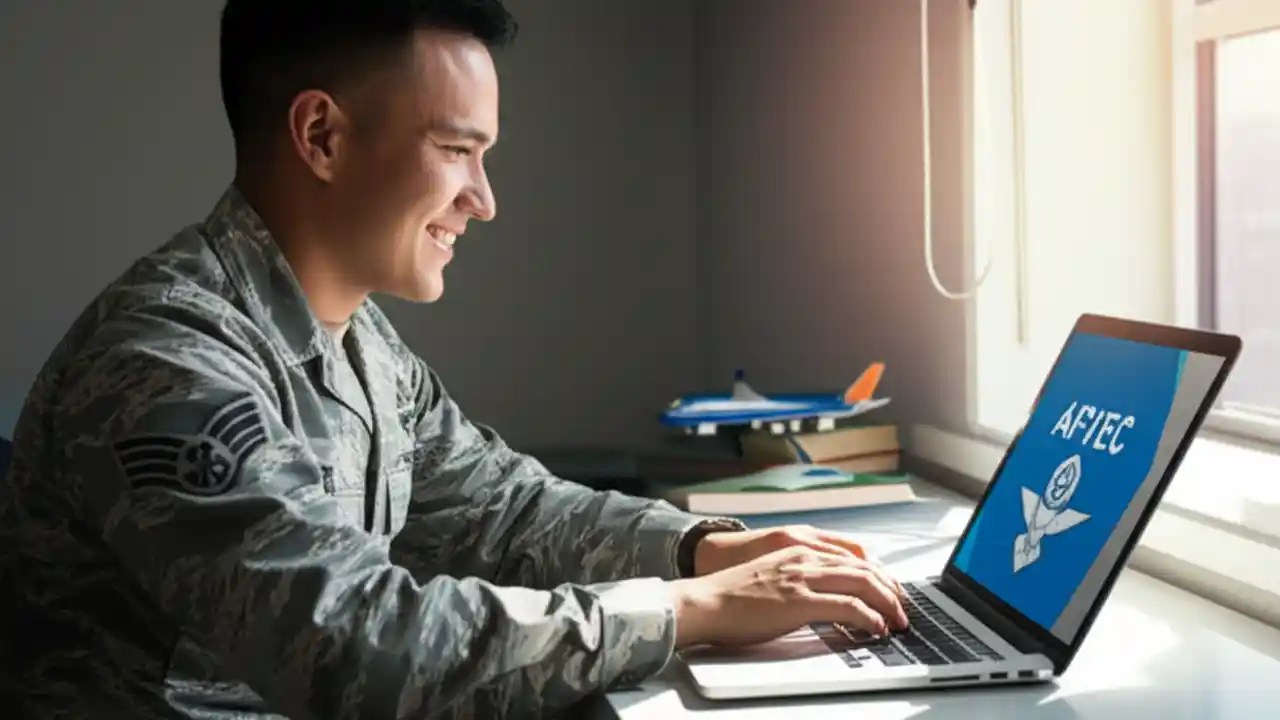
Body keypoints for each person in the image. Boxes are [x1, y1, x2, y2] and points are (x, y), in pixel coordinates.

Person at [0, 1, 908, 717]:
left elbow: (503, 511)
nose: (483, 199)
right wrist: (689, 610)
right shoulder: (167, 358)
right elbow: (353, 644)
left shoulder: (360, 343)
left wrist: (700, 548)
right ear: (321, 137)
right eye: (456, 151)